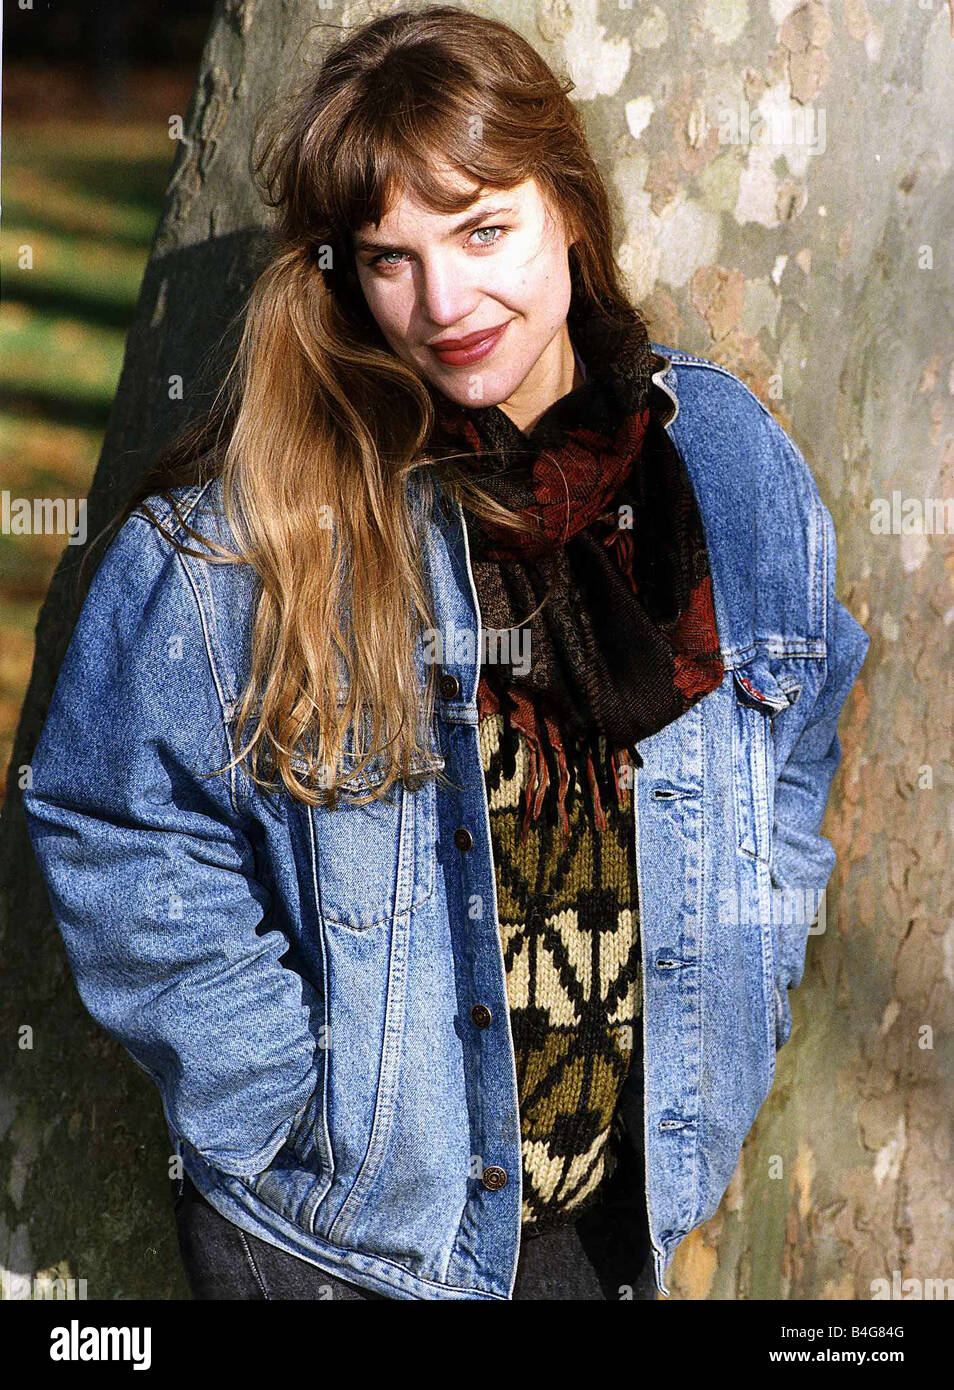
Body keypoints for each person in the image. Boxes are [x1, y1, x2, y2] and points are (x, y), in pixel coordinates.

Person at [22, 6, 869, 1301]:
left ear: (568, 209)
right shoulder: (248, 534)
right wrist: (273, 1097)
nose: (443, 302)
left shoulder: (726, 464)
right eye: (388, 258)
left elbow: (798, 713)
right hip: (341, 1245)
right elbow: (108, 810)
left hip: (612, 1226)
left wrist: (749, 976)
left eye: (483, 230)